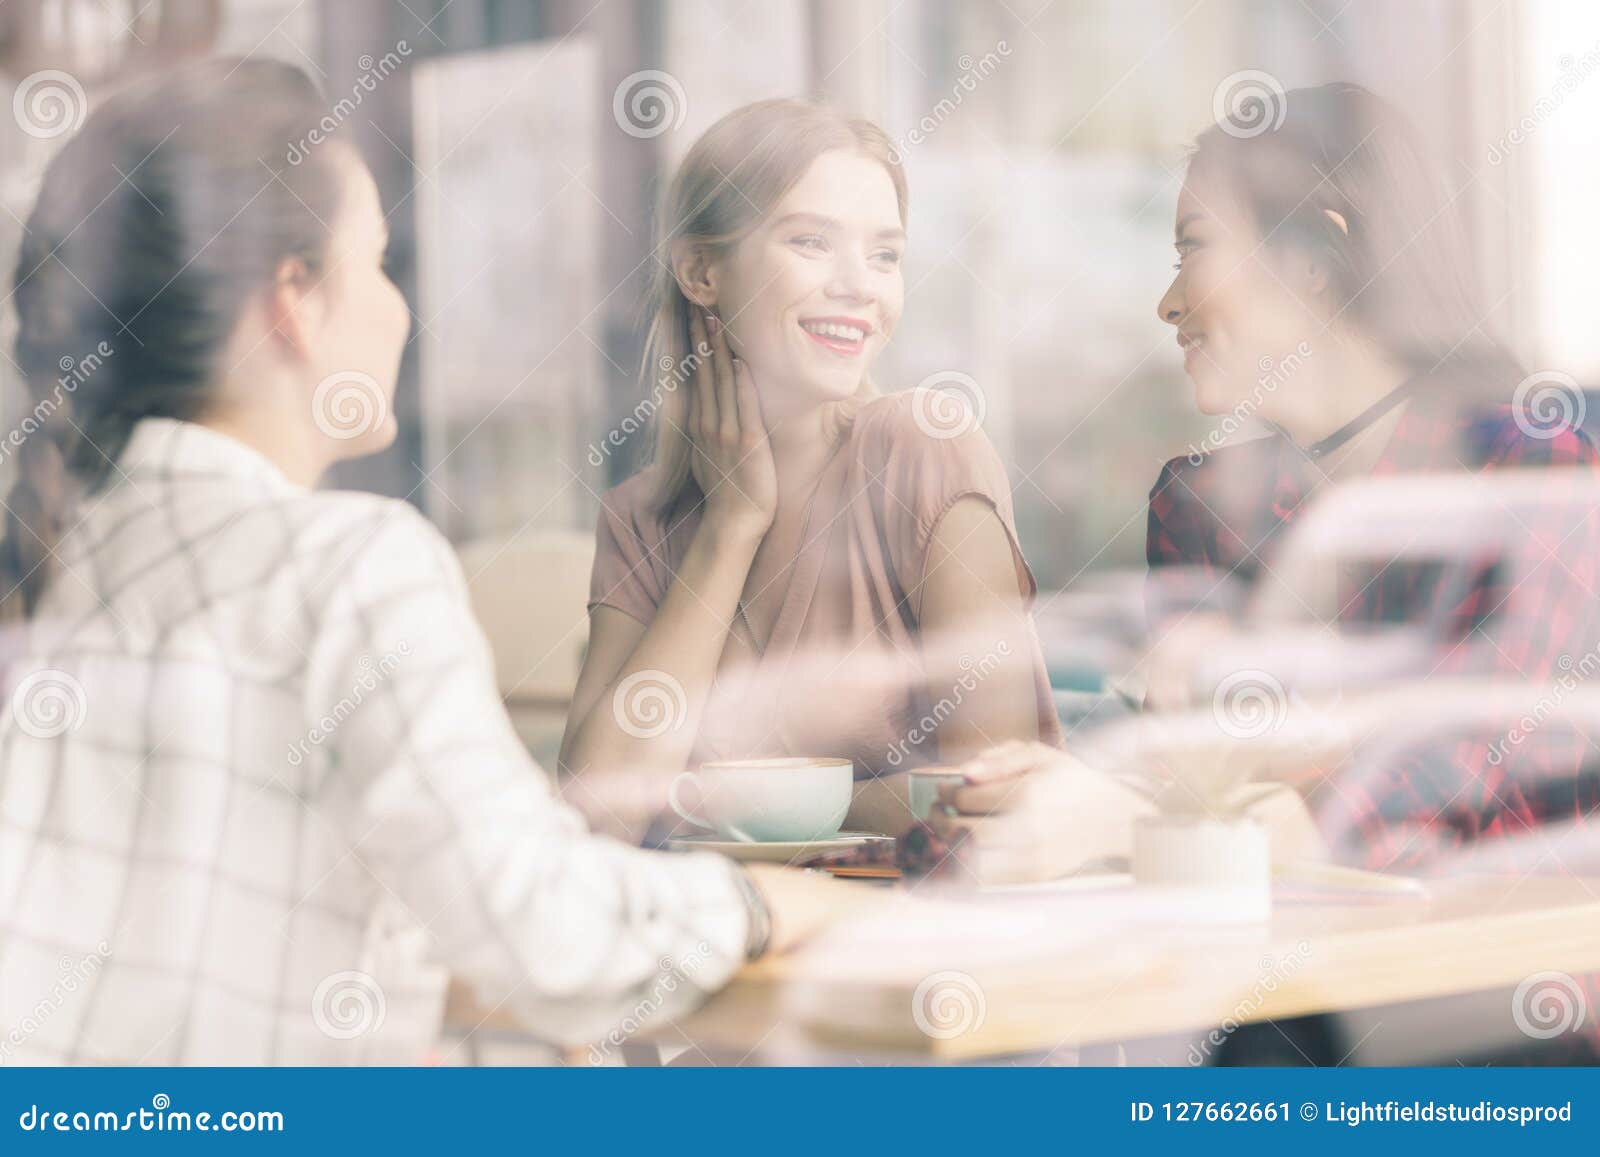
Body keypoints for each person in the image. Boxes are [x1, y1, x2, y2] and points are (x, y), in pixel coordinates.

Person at [0, 59, 858, 1066]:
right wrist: (768, 900)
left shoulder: (61, 564)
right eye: (380, 263)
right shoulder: (347, 565)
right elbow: (539, 927)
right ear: (294, 301)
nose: (401, 308)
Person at [560, 99, 1060, 841]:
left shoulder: (925, 447)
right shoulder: (642, 517)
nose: (860, 285)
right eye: (811, 241)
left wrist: (751, 809)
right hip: (712, 947)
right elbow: (591, 817)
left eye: (885, 254)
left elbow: (996, 795)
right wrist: (729, 529)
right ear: (702, 270)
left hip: (911, 945)